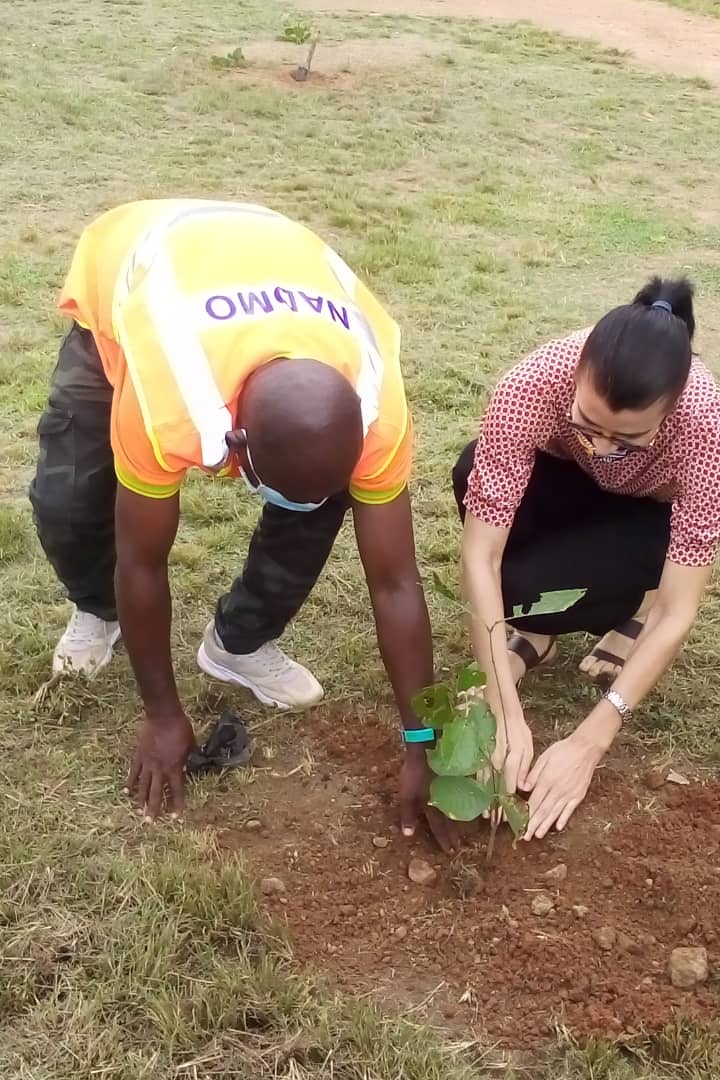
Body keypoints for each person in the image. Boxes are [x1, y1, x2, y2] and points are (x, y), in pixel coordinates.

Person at [30, 198, 452, 846]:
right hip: (135, 271)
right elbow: (142, 560)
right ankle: (96, 610)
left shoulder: (377, 412)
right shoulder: (168, 396)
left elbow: (396, 582)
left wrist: (423, 744)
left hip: (276, 257)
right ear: (235, 443)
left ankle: (239, 642)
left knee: (316, 503)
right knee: (70, 497)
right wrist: (163, 716)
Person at [454, 277, 720, 842]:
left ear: (673, 408)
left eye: (628, 438)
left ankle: (630, 607)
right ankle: (537, 636)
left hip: (645, 518)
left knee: (550, 588)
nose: (603, 447)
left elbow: (679, 611)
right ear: (577, 374)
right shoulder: (534, 383)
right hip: (568, 484)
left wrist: (590, 741)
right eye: (588, 425)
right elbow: (481, 553)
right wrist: (500, 706)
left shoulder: (711, 439)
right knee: (475, 474)